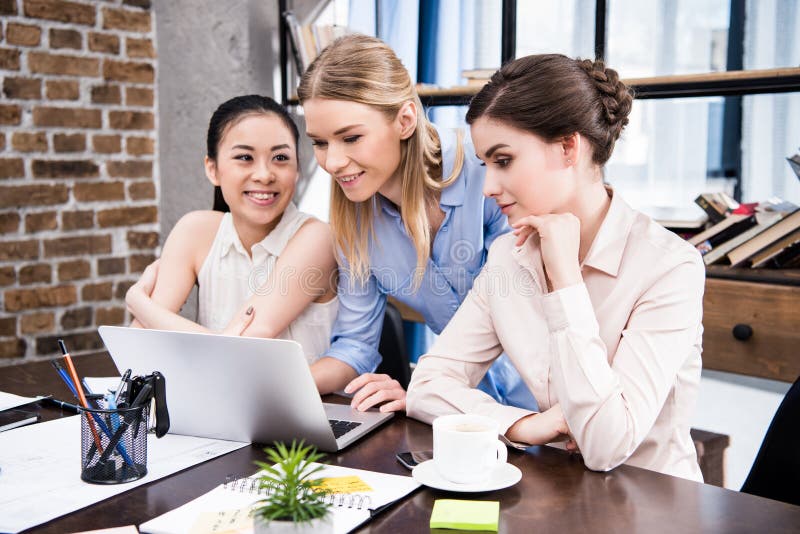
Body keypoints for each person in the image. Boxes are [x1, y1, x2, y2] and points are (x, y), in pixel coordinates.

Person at [406, 54, 705, 481]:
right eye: (484, 166)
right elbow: (428, 386)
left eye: (503, 160)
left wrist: (565, 280)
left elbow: (605, 446)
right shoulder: (510, 255)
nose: (489, 187)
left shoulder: (670, 267)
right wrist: (520, 425)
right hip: (560, 493)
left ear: (568, 147)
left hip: (656, 503)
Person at [297, 34, 537, 412]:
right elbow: (356, 345)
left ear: (405, 119)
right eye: (321, 142)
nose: (332, 162)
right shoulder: (355, 223)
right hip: (465, 415)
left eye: (351, 138)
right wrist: (281, 387)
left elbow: (517, 311)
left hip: (548, 405)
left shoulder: (486, 171)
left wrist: (426, 394)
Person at [126, 95, 338, 364]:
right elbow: (138, 343)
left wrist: (140, 303)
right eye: (245, 157)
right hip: (217, 401)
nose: (264, 174)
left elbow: (239, 348)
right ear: (212, 169)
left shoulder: (317, 238)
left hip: (310, 405)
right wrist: (146, 315)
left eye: (281, 157)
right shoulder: (196, 231)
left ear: (297, 170)